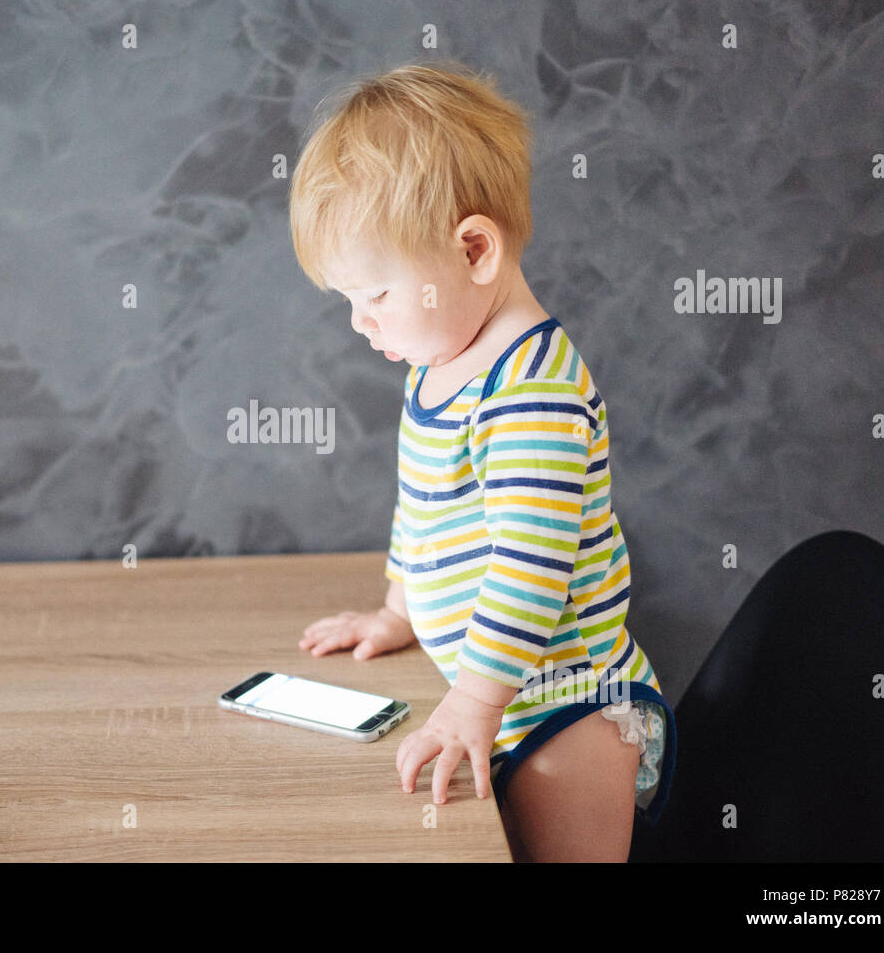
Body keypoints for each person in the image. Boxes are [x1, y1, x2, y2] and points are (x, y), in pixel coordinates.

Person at [288, 61, 675, 862]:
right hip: (499, 689)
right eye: (349, 302)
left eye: (376, 295)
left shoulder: (531, 392)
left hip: (568, 711)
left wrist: (472, 701)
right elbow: (424, 506)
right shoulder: (437, 361)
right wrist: (400, 609)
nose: (361, 323)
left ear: (473, 251)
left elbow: (531, 567)